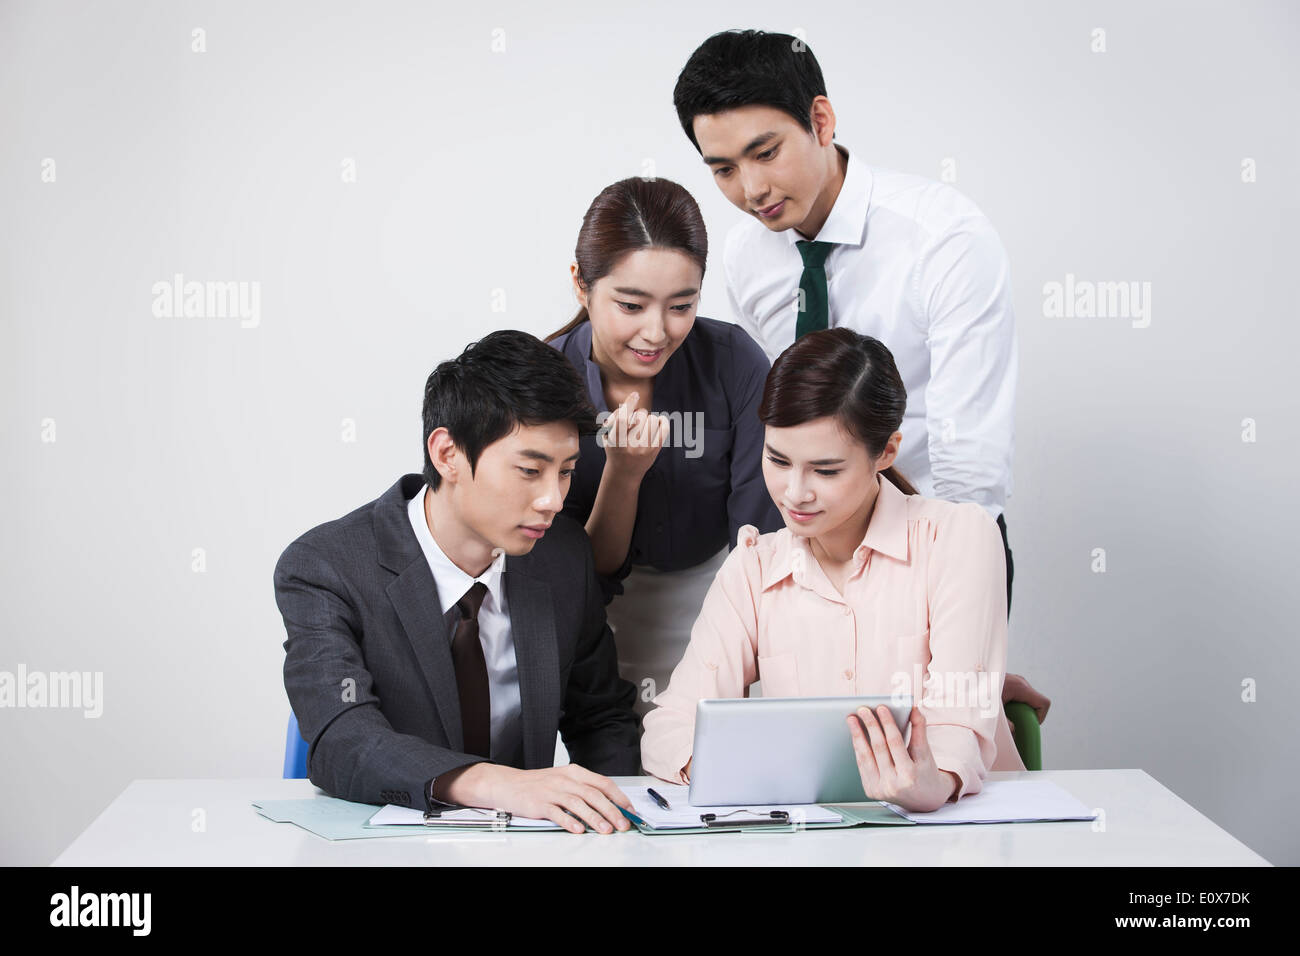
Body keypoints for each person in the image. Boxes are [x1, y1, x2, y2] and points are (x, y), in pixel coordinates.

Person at [672, 28, 1049, 726]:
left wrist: (964, 621)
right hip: (817, 552)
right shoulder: (750, 257)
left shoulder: (943, 239)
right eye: (722, 168)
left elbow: (972, 465)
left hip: (935, 547)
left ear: (821, 120)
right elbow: (783, 420)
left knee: (932, 766)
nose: (750, 189)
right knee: (821, 763)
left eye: (765, 152)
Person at [641, 328, 1026, 811]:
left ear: (886, 451)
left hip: (964, 832)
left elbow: (959, 718)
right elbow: (670, 726)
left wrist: (933, 782)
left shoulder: (958, 538)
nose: (794, 492)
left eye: (825, 471)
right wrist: (741, 773)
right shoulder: (755, 567)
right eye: (778, 459)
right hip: (816, 840)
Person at [273, 330, 641, 834]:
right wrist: (496, 784)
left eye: (567, 472)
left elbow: (600, 718)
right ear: (447, 454)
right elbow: (343, 738)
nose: (553, 500)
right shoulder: (326, 566)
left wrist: (625, 823)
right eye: (530, 470)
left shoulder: (563, 559)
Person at [547, 176, 783, 717]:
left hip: (726, 597)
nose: (656, 333)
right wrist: (622, 473)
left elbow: (761, 541)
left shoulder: (735, 362)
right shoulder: (544, 382)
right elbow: (583, 570)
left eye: (682, 305)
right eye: (631, 306)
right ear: (581, 285)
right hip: (593, 611)